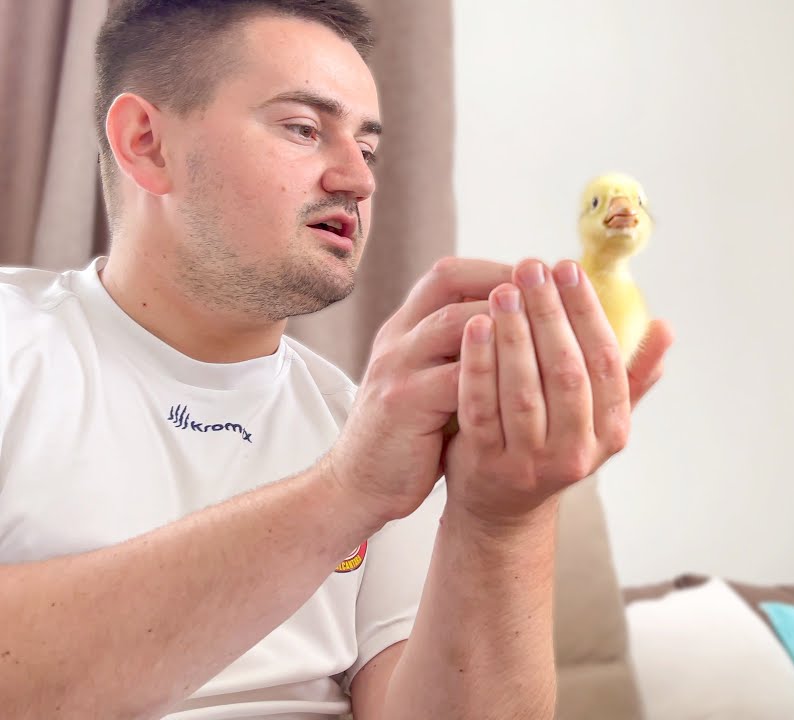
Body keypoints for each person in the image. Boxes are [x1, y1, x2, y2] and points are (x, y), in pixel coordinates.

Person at [0, 0, 672, 718]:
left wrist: (504, 518)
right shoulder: (16, 342)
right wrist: (344, 493)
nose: (359, 178)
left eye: (368, 147)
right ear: (146, 142)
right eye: (304, 128)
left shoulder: (373, 425)